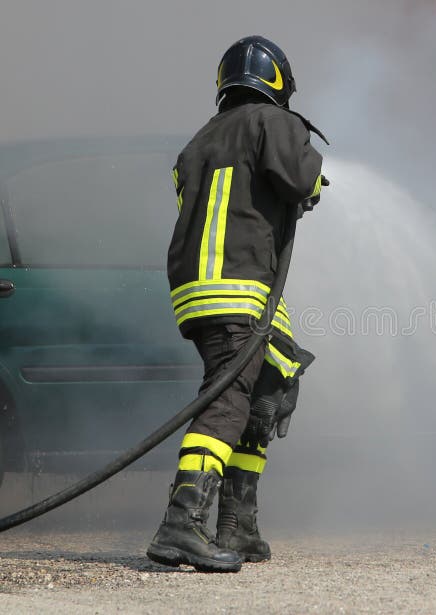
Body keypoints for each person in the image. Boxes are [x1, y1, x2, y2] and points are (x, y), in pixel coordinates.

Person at [146, 35, 327, 573]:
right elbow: (299, 176)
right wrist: (313, 178)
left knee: (271, 385)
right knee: (226, 403)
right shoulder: (273, 123)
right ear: (278, 85)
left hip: (206, 290)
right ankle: (182, 525)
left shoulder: (199, 141)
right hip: (240, 286)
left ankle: (237, 526)